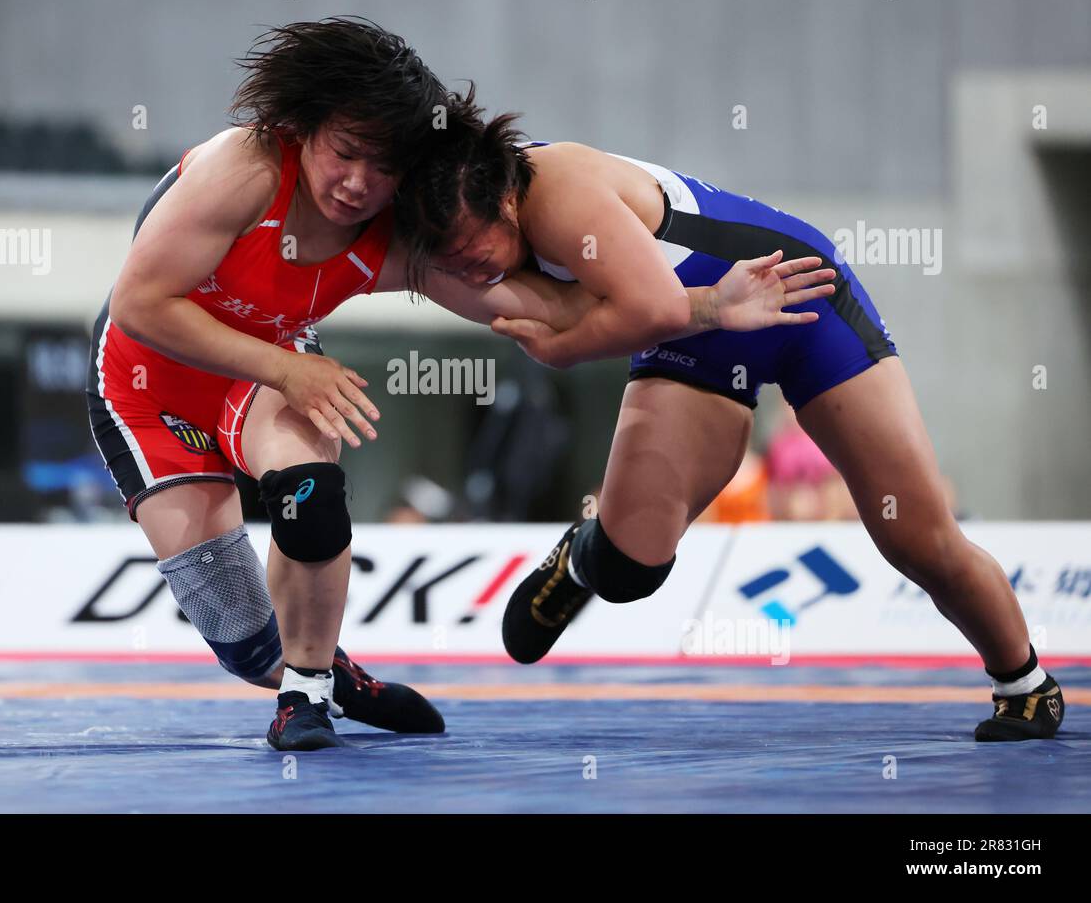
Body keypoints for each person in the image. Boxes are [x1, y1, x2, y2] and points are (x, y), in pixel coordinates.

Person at [395, 104, 1064, 742]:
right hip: (702, 325)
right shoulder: (460, 241)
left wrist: (563, 344)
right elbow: (607, 312)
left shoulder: (559, 190)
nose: (468, 271)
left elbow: (639, 314)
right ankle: (583, 558)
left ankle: (1025, 680)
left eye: (470, 250)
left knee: (917, 538)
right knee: (630, 568)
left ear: (506, 201)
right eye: (449, 261)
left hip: (797, 301)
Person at [86, 19, 461, 750]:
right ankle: (332, 676)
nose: (356, 185)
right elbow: (138, 305)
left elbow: (507, 294)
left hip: (260, 371)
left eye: (381, 168)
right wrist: (289, 366)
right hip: (144, 382)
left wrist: (694, 307)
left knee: (312, 492)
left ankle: (308, 694)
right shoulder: (245, 168)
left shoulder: (391, 225)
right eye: (344, 154)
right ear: (305, 129)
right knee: (246, 646)